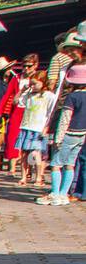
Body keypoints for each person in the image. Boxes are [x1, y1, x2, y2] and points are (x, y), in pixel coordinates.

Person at [38, 64, 86, 206]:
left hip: (68, 134)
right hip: (81, 134)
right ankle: (64, 194)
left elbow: (65, 118)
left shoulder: (71, 97)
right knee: (70, 164)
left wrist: (58, 137)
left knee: (55, 164)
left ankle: (55, 193)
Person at [14, 71, 51, 187]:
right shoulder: (29, 95)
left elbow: (51, 112)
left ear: (43, 82)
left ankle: (39, 177)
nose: (33, 86)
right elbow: (16, 101)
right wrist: (22, 90)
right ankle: (24, 176)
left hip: (39, 127)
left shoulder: (48, 96)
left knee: (36, 153)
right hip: (26, 126)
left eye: (35, 84)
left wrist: (47, 127)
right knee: (24, 154)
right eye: (31, 84)